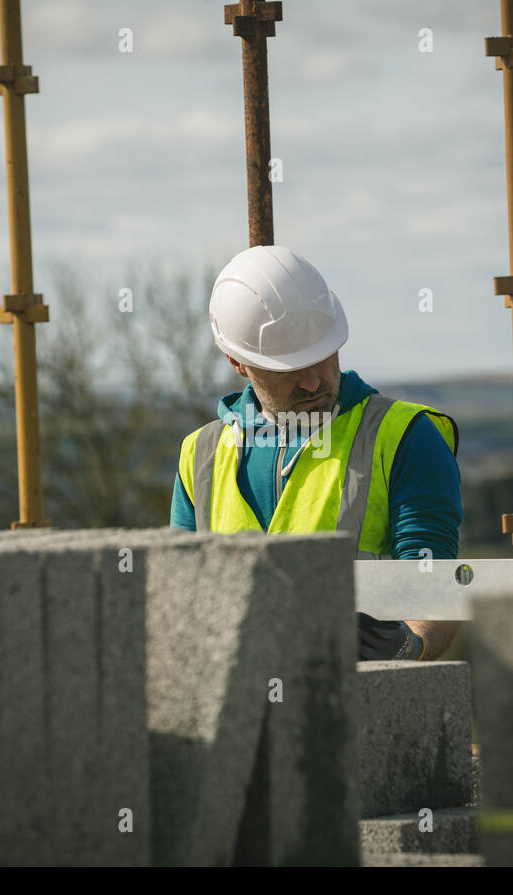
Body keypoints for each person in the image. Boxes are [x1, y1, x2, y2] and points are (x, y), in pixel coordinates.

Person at [169, 245, 463, 660]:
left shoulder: (406, 437)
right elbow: (180, 600)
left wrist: (409, 647)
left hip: (361, 708)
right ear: (237, 362)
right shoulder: (199, 455)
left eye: (323, 357)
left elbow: (436, 589)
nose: (313, 382)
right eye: (289, 370)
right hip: (239, 713)